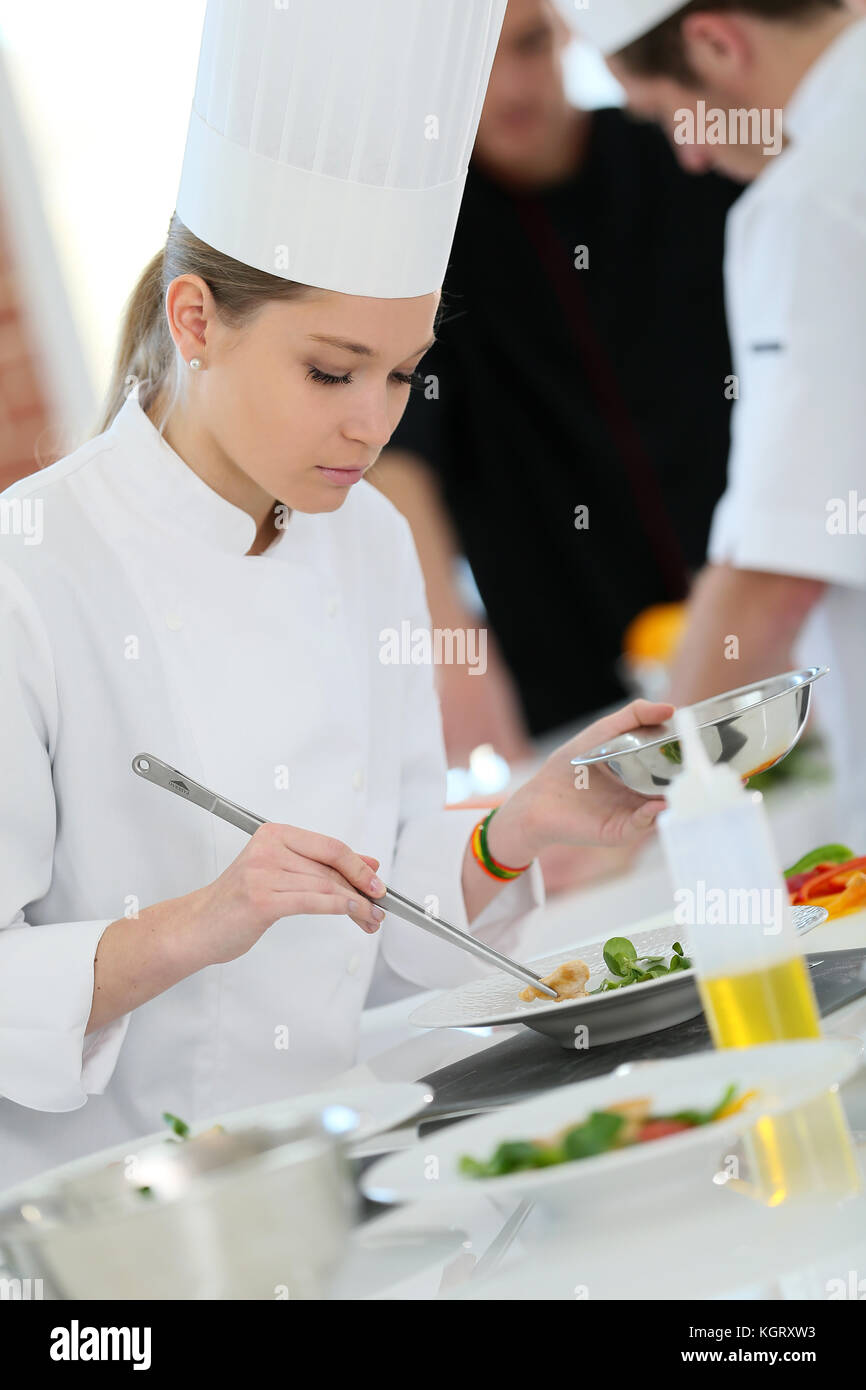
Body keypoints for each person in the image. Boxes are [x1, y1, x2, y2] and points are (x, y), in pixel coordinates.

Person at [0, 0, 673, 1187]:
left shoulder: (362, 538)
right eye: (329, 371)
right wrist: (197, 921)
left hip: (348, 1152)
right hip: (113, 1208)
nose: (374, 423)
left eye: (404, 372)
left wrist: (519, 826)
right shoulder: (31, 567)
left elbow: (389, 911)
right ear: (195, 320)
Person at [371, 0, 740, 767]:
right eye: (475, 69)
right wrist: (451, 648)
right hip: (574, 700)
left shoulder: (684, 153)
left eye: (531, 45)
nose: (511, 88)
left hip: (767, 638)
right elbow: (397, 456)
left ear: (571, 30)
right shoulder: (416, 243)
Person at [564, 0, 866, 845]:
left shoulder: (812, 204)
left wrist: (633, 797)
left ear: (716, 42)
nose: (689, 155)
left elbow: (772, 576)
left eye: (667, 115)